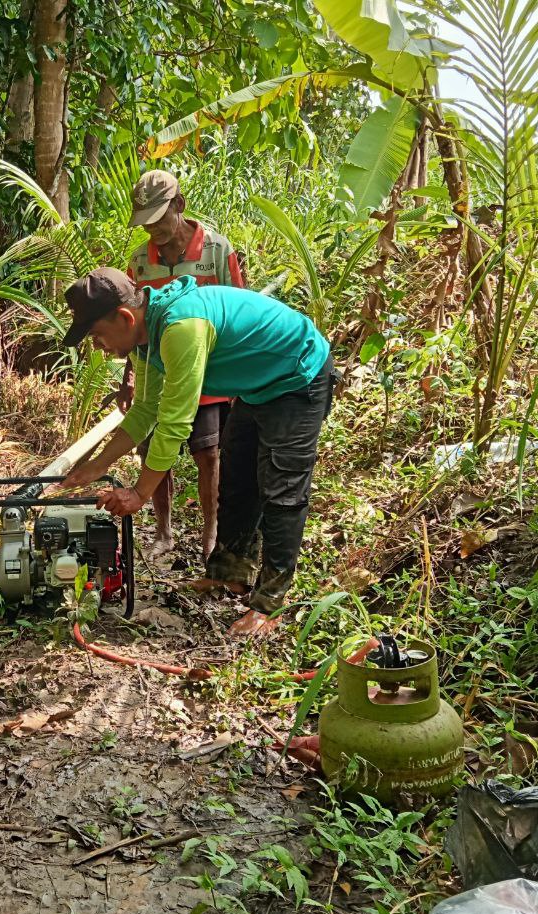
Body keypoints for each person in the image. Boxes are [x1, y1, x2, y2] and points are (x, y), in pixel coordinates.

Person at [60, 268, 334, 635]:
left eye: (96, 335)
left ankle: (269, 605)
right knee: (237, 478)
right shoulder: (148, 338)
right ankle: (230, 576)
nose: (96, 346)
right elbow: (145, 410)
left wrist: (140, 492)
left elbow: (175, 423)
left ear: (125, 318)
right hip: (260, 387)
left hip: (299, 375)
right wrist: (95, 465)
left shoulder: (181, 328)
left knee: (282, 491)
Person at [119, 170, 246, 558]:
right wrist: (128, 377)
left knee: (207, 453)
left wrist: (239, 383)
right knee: (154, 447)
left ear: (179, 205)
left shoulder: (216, 250)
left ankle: (211, 532)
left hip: (209, 371)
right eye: (146, 221)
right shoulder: (139, 262)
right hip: (156, 371)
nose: (153, 228)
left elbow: (237, 308)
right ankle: (163, 531)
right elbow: (129, 323)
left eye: (159, 217)